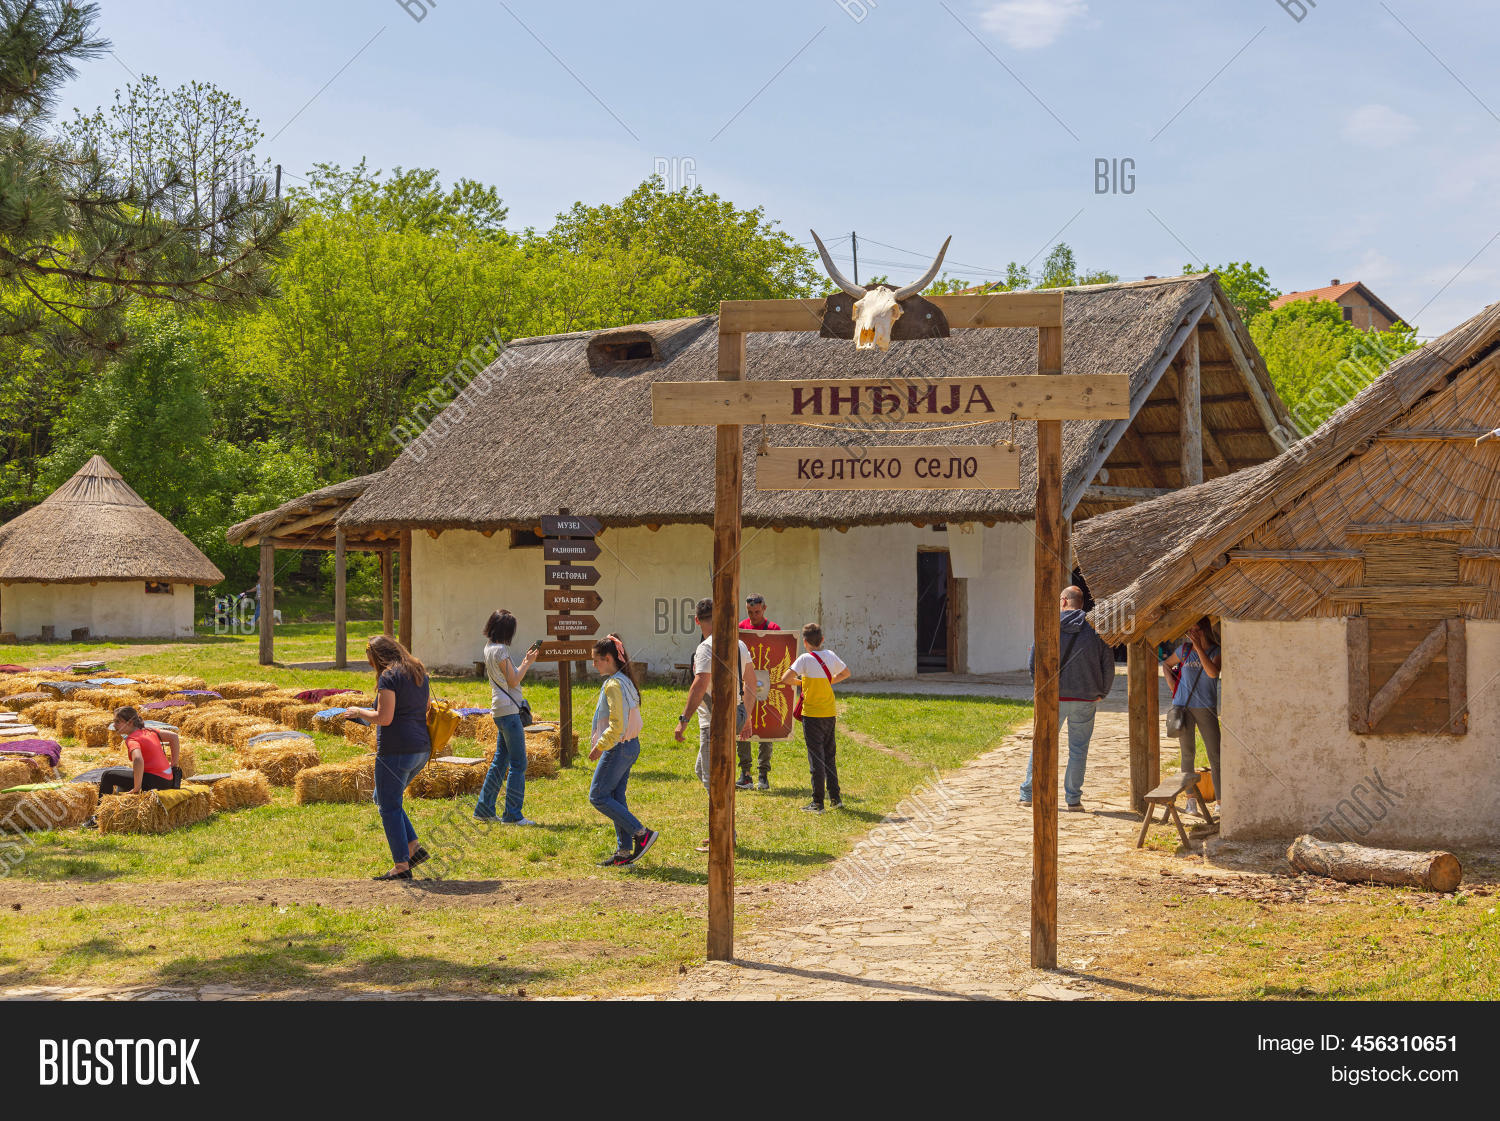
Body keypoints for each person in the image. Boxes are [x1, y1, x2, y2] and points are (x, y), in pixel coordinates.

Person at [1019, 585, 1116, 812]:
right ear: (1081, 603)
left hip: (1053, 697)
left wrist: (1041, 688)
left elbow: (1034, 662)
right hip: (1085, 698)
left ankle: (1028, 794)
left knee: (1041, 745)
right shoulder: (1096, 629)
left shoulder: (1049, 626)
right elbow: (1108, 665)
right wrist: (1103, 691)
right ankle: (1073, 799)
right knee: (1079, 750)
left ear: (1063, 602)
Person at [344, 635, 432, 881]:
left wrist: (358, 711)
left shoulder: (389, 677)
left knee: (389, 806)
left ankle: (401, 866)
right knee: (384, 798)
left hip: (396, 751)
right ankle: (413, 848)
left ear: (378, 657)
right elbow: (425, 708)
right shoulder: (418, 671)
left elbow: (384, 718)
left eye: (371, 660)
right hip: (421, 750)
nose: (371, 665)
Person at [588, 634, 659, 867]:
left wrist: (600, 746)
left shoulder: (613, 684)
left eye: (596, 660)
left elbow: (617, 725)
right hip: (631, 745)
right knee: (616, 797)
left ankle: (642, 834)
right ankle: (624, 850)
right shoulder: (625, 680)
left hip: (617, 747)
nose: (594, 664)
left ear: (608, 658)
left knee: (598, 796)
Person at [474, 609, 539, 825]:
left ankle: (484, 809)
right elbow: (513, 680)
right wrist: (528, 662)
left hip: (498, 710)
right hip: (510, 713)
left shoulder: (488, 648)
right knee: (519, 764)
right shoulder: (501, 650)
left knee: (500, 761)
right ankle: (512, 814)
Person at [780, 622, 850, 813]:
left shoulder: (804, 659)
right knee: (829, 756)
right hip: (829, 712)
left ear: (805, 642)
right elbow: (846, 672)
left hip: (811, 714)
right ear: (822, 640)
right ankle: (836, 798)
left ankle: (817, 802)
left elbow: (785, 679)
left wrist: (801, 681)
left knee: (816, 759)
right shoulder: (830, 656)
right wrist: (829, 680)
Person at [1161, 616, 1222, 814]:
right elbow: (1166, 664)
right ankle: (1190, 800)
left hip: (1205, 707)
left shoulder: (1216, 651)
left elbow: (1213, 673)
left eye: (1197, 630)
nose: (1193, 634)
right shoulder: (1184, 650)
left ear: (1205, 630)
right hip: (1183, 707)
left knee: (1215, 754)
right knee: (1187, 753)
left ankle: (1220, 802)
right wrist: (1172, 685)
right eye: (1191, 630)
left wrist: (1200, 648)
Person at [737, 592, 782, 791]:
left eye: (756, 611)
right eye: (750, 612)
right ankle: (745, 773)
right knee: (741, 726)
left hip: (766, 685)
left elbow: (778, 656)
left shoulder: (773, 629)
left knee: (766, 728)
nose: (753, 615)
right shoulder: (740, 628)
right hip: (744, 686)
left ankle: (763, 773)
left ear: (764, 608)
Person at [96, 708, 181, 798]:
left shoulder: (132, 739)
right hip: (169, 780)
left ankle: (100, 809)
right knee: (128, 773)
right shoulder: (150, 731)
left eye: (118, 722)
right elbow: (174, 737)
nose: (114, 725)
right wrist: (174, 764)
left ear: (130, 723)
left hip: (155, 782)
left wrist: (137, 787)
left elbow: (137, 759)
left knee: (107, 776)